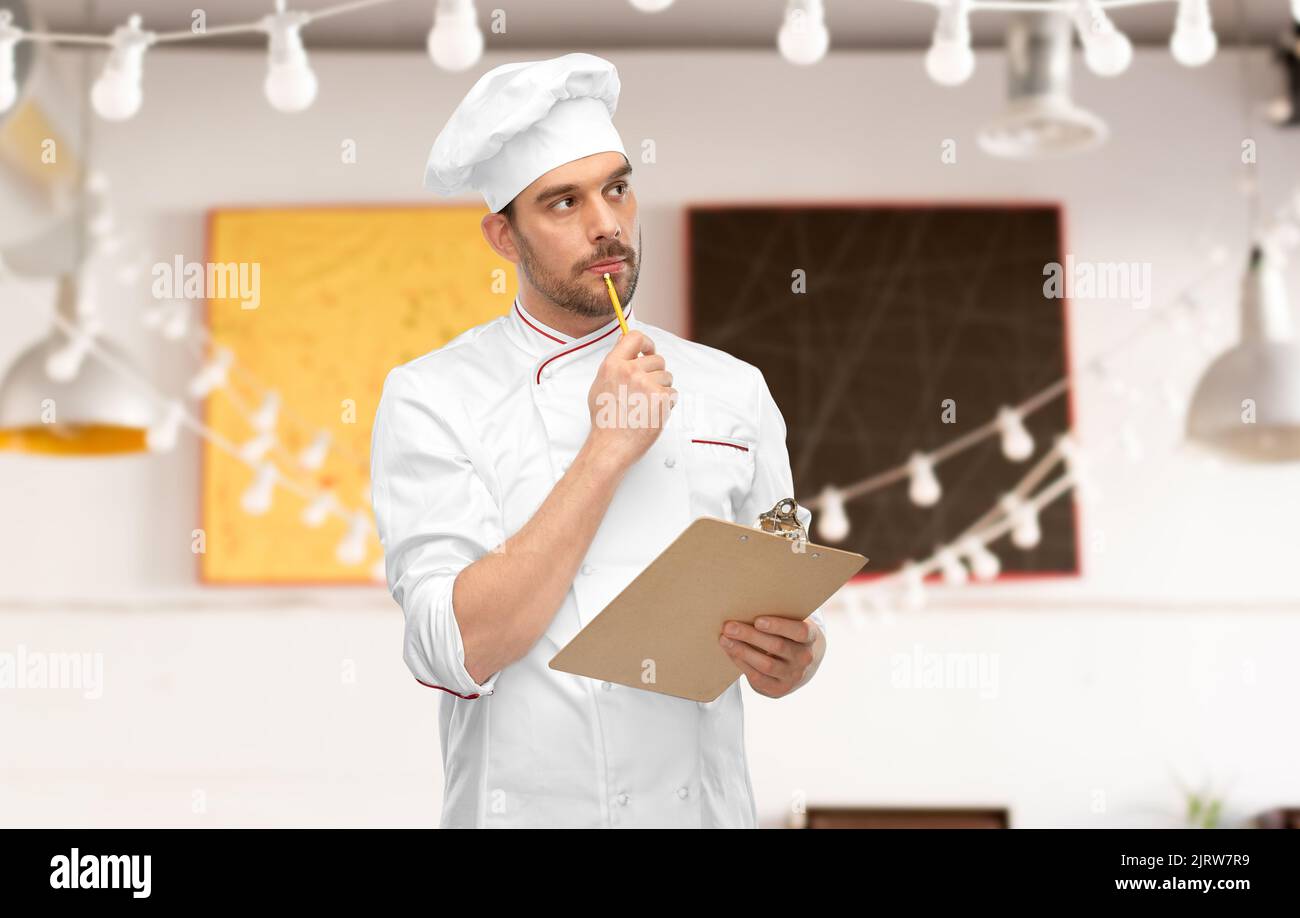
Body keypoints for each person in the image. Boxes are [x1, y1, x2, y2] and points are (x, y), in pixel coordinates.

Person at [370, 52, 827, 828]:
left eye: (617, 188)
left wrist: (798, 655)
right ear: (503, 238)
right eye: (562, 203)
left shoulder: (735, 389)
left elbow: (780, 591)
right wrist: (607, 449)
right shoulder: (433, 397)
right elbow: (457, 645)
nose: (606, 224)